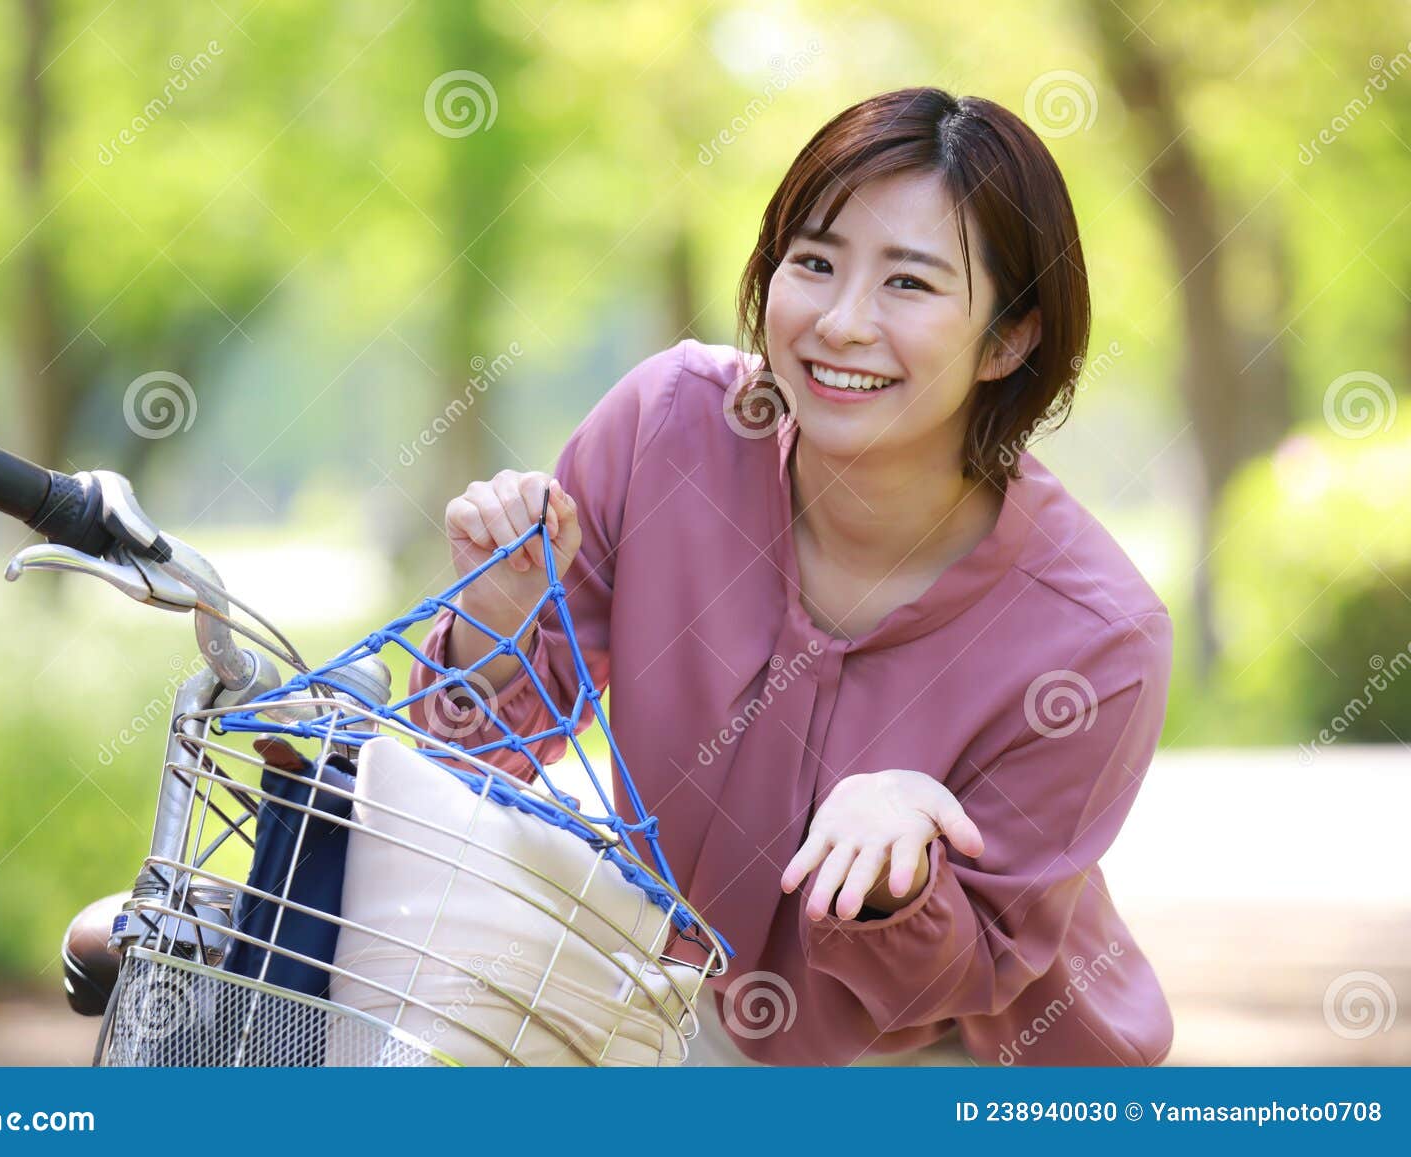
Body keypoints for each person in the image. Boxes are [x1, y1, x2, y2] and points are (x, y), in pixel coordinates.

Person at [407, 87, 1175, 1067]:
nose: (842, 322)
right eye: (813, 263)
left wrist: (896, 871)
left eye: (909, 283)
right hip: (679, 1023)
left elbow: (964, 980)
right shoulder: (666, 430)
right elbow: (457, 774)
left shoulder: (1094, 637)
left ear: (1009, 338)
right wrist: (497, 618)